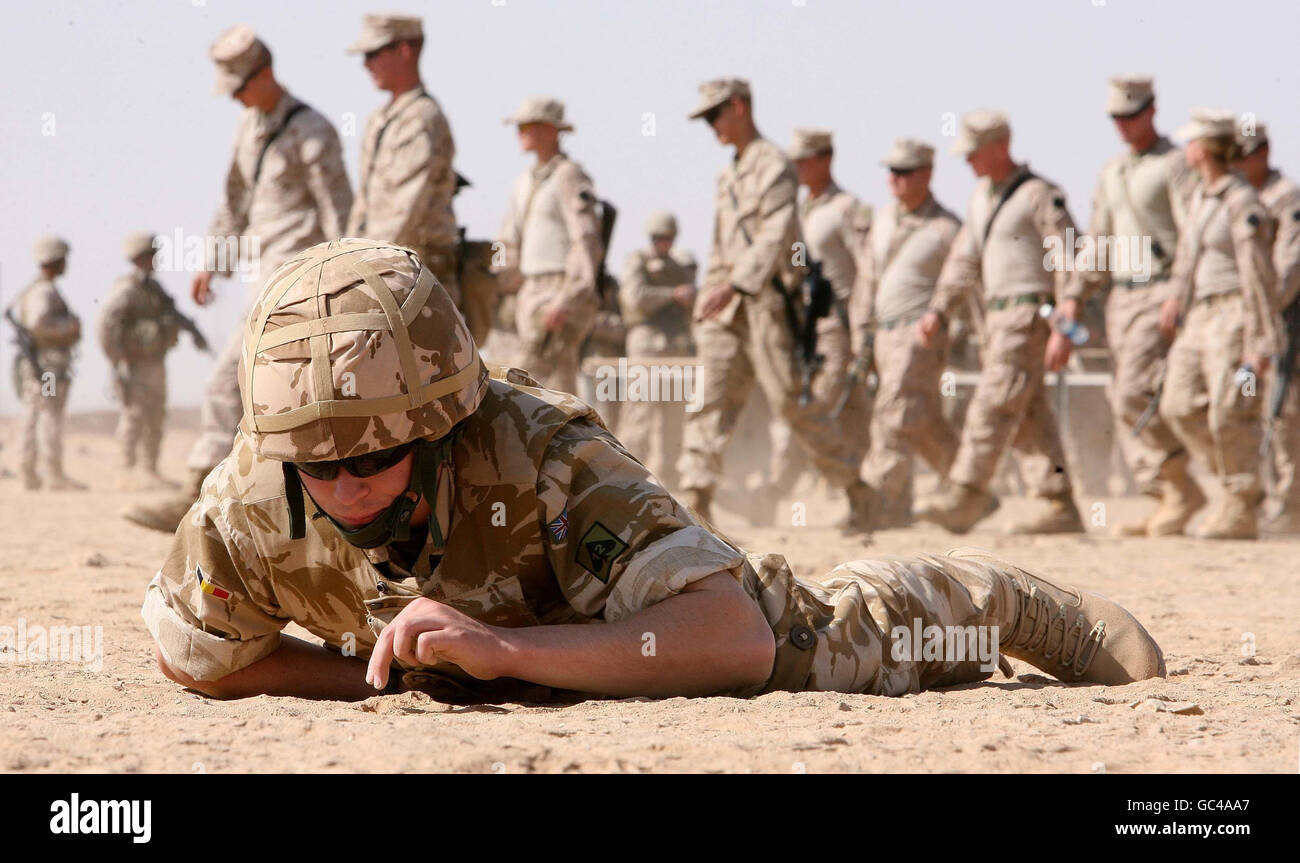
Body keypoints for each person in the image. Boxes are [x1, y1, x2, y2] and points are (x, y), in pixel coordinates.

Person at [141, 239, 1165, 704]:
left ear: (443, 423)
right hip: (502, 647)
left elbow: (731, 635)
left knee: (836, 637)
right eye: (317, 464)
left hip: (656, 618)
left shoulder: (542, 450)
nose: (345, 483)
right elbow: (201, 655)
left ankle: (1030, 606)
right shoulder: (249, 494)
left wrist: (502, 651)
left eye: (373, 455)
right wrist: (382, 682)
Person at [125, 25, 352, 532]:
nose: (234, 99)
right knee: (273, 389)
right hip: (261, 276)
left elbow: (339, 213)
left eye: (240, 87)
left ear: (265, 73)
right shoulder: (249, 127)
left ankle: (197, 495)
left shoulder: (312, 130)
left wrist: (346, 276)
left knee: (230, 379)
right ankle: (252, 503)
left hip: (301, 279)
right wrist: (212, 261)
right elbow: (234, 202)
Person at [678, 79, 875, 532]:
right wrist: (711, 293)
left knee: (792, 405)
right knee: (710, 398)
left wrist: (737, 284)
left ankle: (854, 487)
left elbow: (774, 234)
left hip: (765, 305)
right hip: (725, 311)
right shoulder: (728, 174)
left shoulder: (776, 166)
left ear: (740, 107)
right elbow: (717, 244)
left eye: (715, 115)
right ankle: (696, 496)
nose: (711, 127)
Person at [914, 110, 1085, 535]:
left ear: (1000, 147)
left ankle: (966, 493)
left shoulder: (1039, 194)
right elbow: (963, 259)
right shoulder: (980, 200)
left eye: (975, 153)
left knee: (993, 403)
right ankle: (1058, 501)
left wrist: (1067, 317)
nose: (968, 162)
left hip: (1029, 314)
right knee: (1028, 415)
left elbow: (1067, 255)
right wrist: (939, 309)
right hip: (993, 318)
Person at [1058, 77, 1201, 536]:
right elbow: (1097, 243)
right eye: (1116, 118)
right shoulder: (1113, 172)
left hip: (1159, 291)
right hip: (1121, 297)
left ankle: (1179, 485)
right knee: (1123, 396)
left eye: (1132, 115)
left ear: (1152, 111)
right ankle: (1169, 496)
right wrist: (1074, 299)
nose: (1123, 125)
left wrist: (1178, 292)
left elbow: (1192, 236)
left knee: (1133, 391)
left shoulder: (1175, 165)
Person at [1156, 109, 1282, 539]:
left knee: (1229, 410)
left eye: (1191, 142)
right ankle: (1236, 484)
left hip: (1234, 313)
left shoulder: (1242, 202)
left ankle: (1242, 503)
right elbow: (1189, 258)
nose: (1185, 148)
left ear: (1204, 149)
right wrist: (1175, 297)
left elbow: (1259, 273)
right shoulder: (1200, 198)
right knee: (1177, 404)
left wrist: (1261, 340)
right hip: (1199, 316)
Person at [346, 14, 482, 338]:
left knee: (428, 384)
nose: (366, 65)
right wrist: (346, 263)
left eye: (373, 53)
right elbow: (363, 206)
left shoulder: (424, 119)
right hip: (380, 275)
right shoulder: (381, 119)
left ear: (405, 50)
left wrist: (360, 270)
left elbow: (403, 214)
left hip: (417, 283)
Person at [851, 139, 961, 528]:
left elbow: (961, 284)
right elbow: (867, 279)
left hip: (920, 334)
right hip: (880, 334)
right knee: (920, 418)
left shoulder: (947, 228)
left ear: (926, 174)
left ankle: (877, 500)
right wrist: (860, 332)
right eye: (890, 172)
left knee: (893, 411)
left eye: (903, 172)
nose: (893, 180)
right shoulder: (881, 221)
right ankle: (967, 483)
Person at [765, 129, 872, 507]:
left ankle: (851, 493)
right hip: (802, 329)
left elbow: (866, 272)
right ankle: (786, 492)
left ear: (825, 159)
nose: (796, 169)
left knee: (821, 409)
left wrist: (862, 334)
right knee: (799, 405)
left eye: (803, 161)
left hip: (835, 327)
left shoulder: (846, 209)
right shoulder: (796, 212)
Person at [493, 97, 603, 395]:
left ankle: (576, 440)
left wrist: (567, 299)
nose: (521, 133)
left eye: (528, 126)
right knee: (540, 384)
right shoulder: (523, 182)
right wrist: (494, 280)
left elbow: (586, 240)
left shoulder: (569, 175)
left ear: (551, 130)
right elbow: (507, 241)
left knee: (542, 382)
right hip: (528, 291)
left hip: (559, 289)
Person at [1233, 123, 1300, 534]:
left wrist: (1264, 325)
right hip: (1249, 325)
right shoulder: (1239, 200)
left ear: (1263, 152)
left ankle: (1289, 503)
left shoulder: (1285, 198)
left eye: (1244, 155)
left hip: (1283, 325)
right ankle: (1265, 497)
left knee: (1284, 411)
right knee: (1252, 408)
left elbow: (1287, 272)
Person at [616, 211, 697, 488]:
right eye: (658, 237)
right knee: (639, 413)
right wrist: (673, 295)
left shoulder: (678, 266)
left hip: (675, 345)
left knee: (675, 417)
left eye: (667, 237)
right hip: (646, 343)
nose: (663, 242)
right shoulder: (637, 261)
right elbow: (635, 297)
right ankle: (625, 478)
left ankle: (671, 480)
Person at [97, 232, 182, 489]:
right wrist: (117, 359)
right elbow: (106, 325)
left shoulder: (153, 288)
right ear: (139, 257)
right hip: (134, 364)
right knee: (134, 415)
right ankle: (126, 470)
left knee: (156, 414)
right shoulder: (127, 289)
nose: (155, 260)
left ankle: (149, 469)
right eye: (150, 255)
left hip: (155, 362)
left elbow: (173, 314)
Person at [9, 236, 84, 491]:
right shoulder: (44, 291)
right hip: (48, 368)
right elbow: (39, 323)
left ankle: (29, 473)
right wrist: (70, 326)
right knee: (49, 414)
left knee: (34, 414)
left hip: (42, 366)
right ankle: (53, 475)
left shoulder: (36, 288)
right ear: (56, 260)